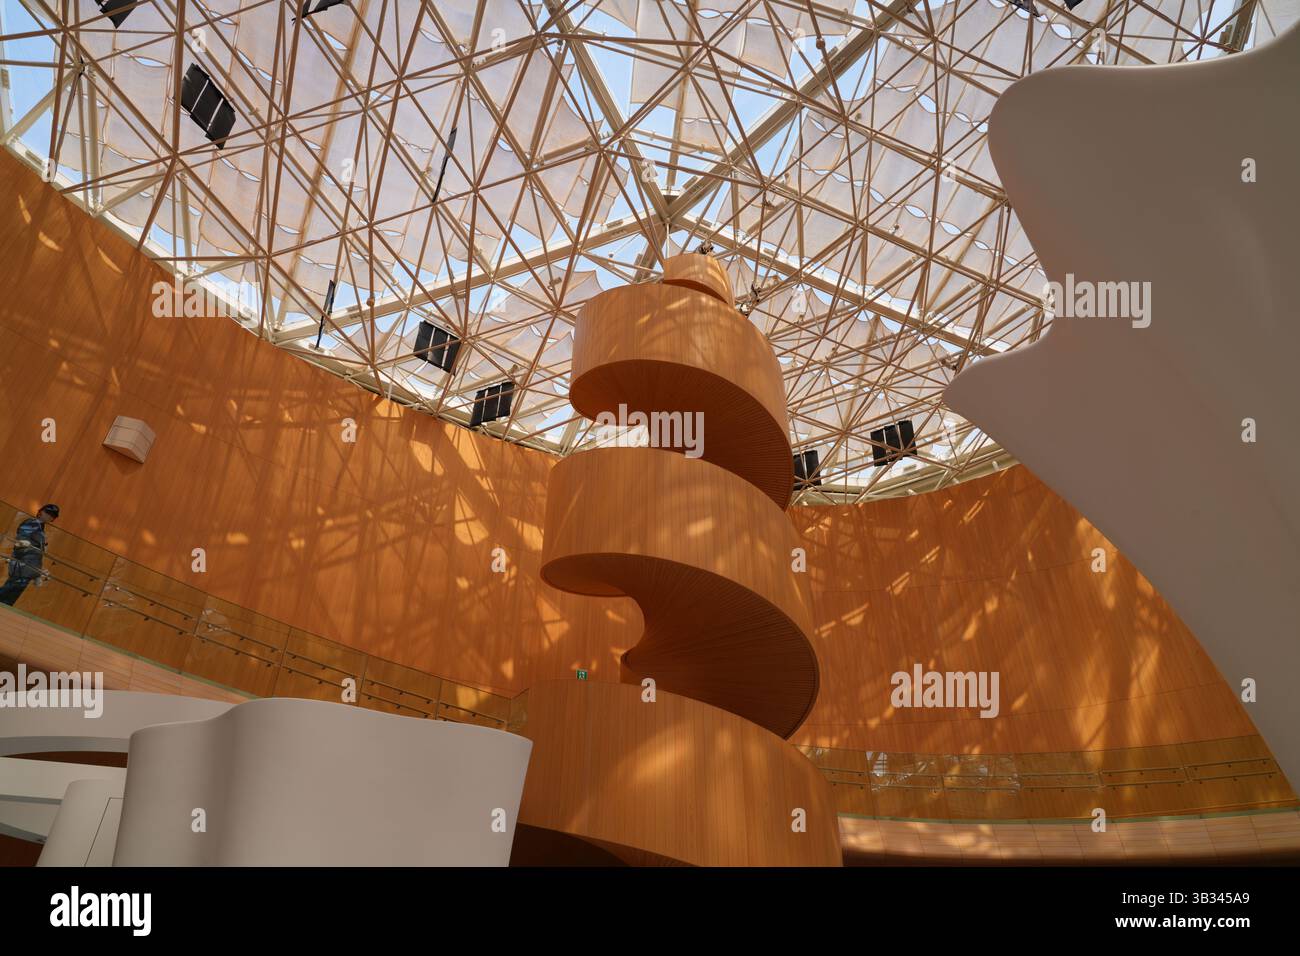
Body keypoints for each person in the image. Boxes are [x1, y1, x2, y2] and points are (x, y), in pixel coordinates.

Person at [0, 503, 59, 607]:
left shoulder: (41, 529)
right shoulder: (32, 523)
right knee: (8, 591)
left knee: (11, 596)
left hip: (29, 568)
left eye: (52, 515)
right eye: (48, 513)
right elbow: (22, 540)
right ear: (40, 512)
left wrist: (36, 572)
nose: (49, 516)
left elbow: (37, 553)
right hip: (22, 563)